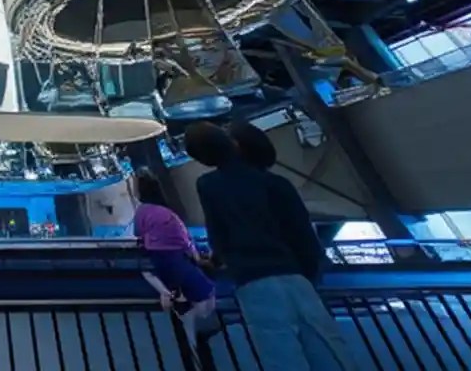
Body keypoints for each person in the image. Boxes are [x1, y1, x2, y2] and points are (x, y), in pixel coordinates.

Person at [185, 122, 356, 371]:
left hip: (253, 282)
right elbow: (304, 236)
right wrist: (307, 275)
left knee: (280, 355)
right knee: (329, 350)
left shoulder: (208, 185)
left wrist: (215, 262)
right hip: (295, 277)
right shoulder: (277, 184)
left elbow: (219, 234)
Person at [133, 170, 216, 346]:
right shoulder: (169, 213)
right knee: (204, 295)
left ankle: (170, 298)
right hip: (178, 259)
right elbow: (185, 239)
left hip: (165, 258)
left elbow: (138, 234)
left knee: (148, 272)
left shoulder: (144, 211)